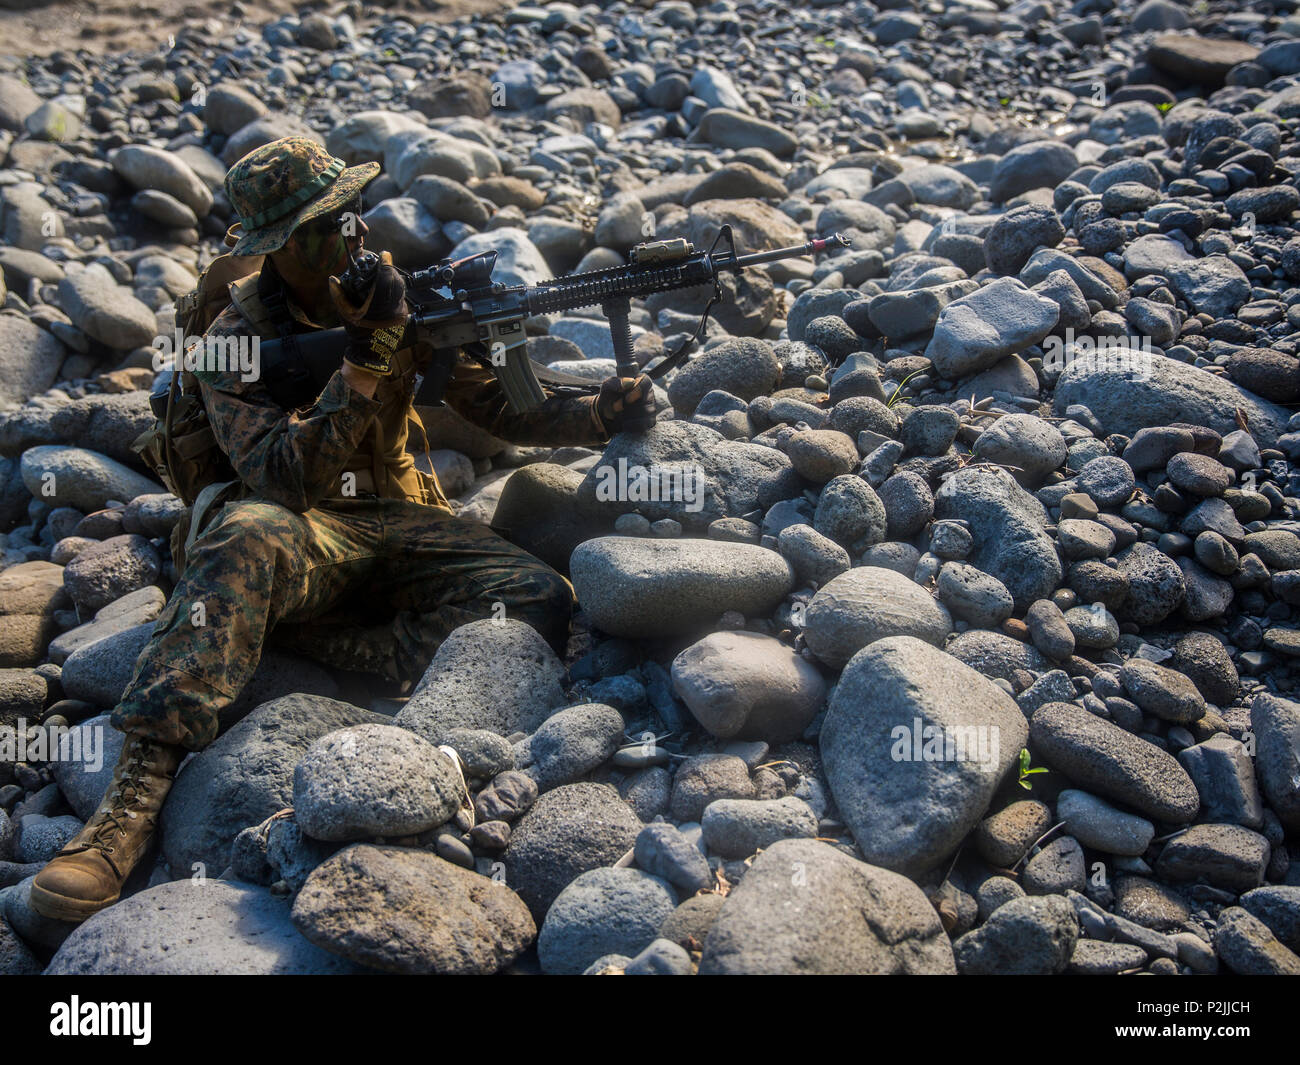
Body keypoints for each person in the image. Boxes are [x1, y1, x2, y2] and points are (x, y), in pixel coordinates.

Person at [30, 136, 655, 922]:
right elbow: (282, 477)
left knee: (535, 596)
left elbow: (497, 406)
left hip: (391, 519)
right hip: (293, 526)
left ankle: (300, 641)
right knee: (244, 537)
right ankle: (126, 809)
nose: (351, 233)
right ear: (279, 246)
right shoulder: (232, 340)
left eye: (353, 210)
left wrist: (598, 412)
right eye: (326, 225)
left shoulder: (392, 294)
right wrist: (364, 359)